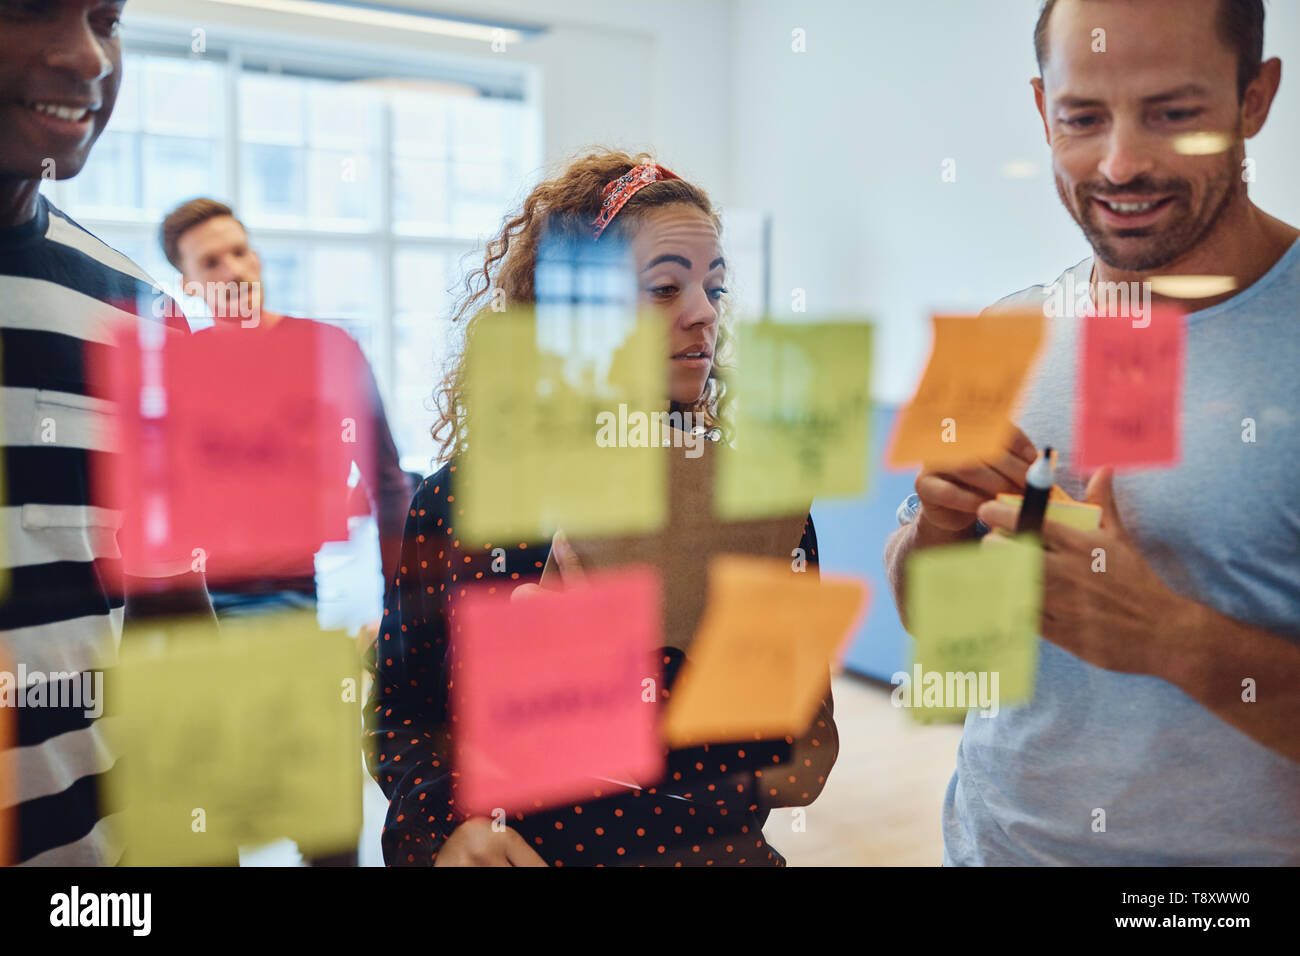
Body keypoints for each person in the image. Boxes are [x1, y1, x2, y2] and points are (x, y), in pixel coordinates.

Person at [885, 0, 1300, 865]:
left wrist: (1169, 639)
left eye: (1173, 112)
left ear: (1255, 99)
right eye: (1083, 117)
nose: (1120, 162)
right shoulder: (1002, 332)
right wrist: (941, 528)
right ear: (1043, 111)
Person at [365, 150, 838, 866]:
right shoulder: (460, 505)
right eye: (662, 289)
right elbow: (400, 717)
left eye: (714, 286)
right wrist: (449, 828)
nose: (704, 314)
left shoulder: (754, 506)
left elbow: (802, 764)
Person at [0, 0, 214, 865]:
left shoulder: (139, 317)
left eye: (108, 17)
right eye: (29, 6)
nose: (88, 56)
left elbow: (172, 609)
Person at [158, 198, 413, 617]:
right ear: (187, 283)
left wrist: (398, 613)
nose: (234, 272)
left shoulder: (329, 350)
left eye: (240, 253)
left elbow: (386, 482)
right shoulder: (174, 366)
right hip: (190, 602)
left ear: (256, 257)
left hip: (291, 597)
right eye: (210, 263)